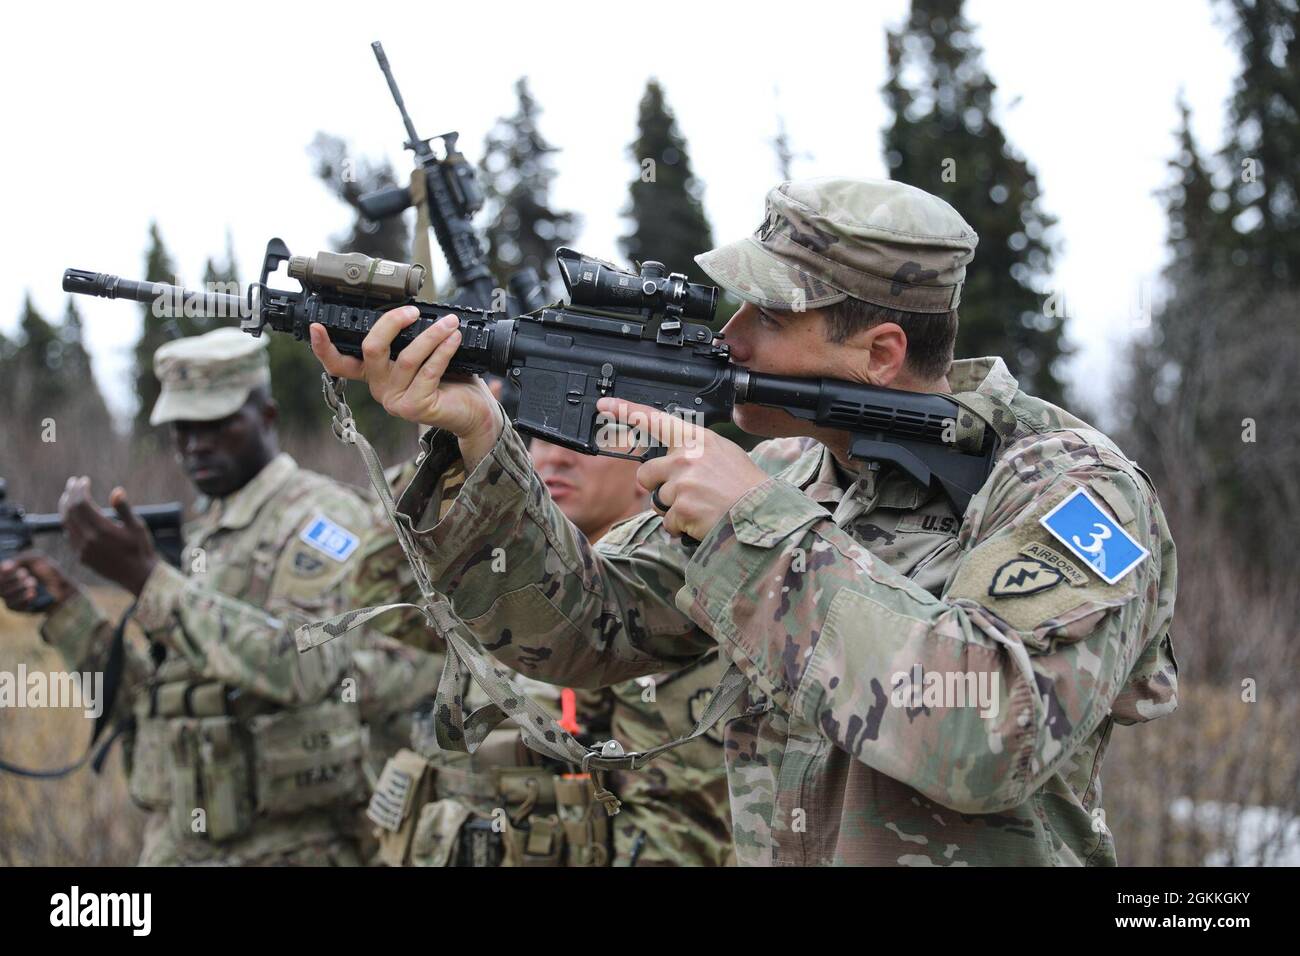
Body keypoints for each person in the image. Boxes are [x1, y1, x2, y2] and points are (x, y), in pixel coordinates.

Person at [311, 177, 1180, 866]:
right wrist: (479, 443)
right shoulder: (788, 471)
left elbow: (988, 735)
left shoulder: (1070, 491)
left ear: (879, 352)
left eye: (768, 315)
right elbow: (582, 630)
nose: (729, 336)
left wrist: (756, 529)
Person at [0, 327, 423, 865]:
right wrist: (63, 607)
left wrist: (146, 577)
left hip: (291, 846)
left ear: (266, 418)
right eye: (182, 427)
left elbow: (304, 666)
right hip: (180, 843)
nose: (195, 443)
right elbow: (154, 696)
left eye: (217, 424)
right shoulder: (208, 533)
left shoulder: (321, 517)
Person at [349, 437, 735, 866]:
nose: (555, 456)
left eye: (585, 434)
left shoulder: (669, 607)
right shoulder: (515, 583)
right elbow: (382, 591)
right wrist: (448, 448)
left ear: (653, 465)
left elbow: (677, 832)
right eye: (540, 433)